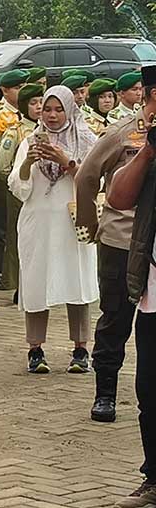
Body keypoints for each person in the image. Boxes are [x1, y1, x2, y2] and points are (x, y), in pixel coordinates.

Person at [75, 65, 156, 423]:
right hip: (122, 241)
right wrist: (90, 225)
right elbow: (87, 176)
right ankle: (105, 391)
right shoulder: (124, 133)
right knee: (115, 319)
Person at [7, 86, 98, 374]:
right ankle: (35, 349)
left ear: (70, 109)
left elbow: (97, 180)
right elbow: (18, 186)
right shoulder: (30, 140)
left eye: (59, 109)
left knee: (77, 282)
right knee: (36, 282)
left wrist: (66, 162)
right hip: (38, 222)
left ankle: (81, 348)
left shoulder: (86, 140)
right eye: (47, 109)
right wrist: (28, 163)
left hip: (73, 223)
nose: (53, 115)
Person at [101, 76, 156, 508]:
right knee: (150, 391)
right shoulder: (145, 144)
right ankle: (153, 478)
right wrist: (151, 147)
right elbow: (119, 197)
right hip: (154, 288)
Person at [0, 69, 31, 291]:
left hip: (23, 178)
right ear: (5, 90)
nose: (22, 92)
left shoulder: (27, 116)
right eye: (18, 87)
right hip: (1, 173)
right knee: (2, 225)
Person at [0, 83, 45, 293]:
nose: (39, 107)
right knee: (18, 238)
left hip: (43, 194)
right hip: (21, 192)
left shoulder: (47, 131)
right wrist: (16, 183)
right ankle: (16, 283)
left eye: (41, 102)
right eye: (33, 103)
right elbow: (2, 166)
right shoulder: (15, 132)